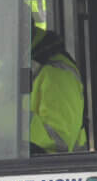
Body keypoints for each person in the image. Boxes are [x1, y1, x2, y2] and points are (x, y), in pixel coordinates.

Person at [29, 24, 87, 154]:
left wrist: (8, 120)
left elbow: (60, 142)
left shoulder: (55, 75)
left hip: (61, 171)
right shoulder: (22, 65)